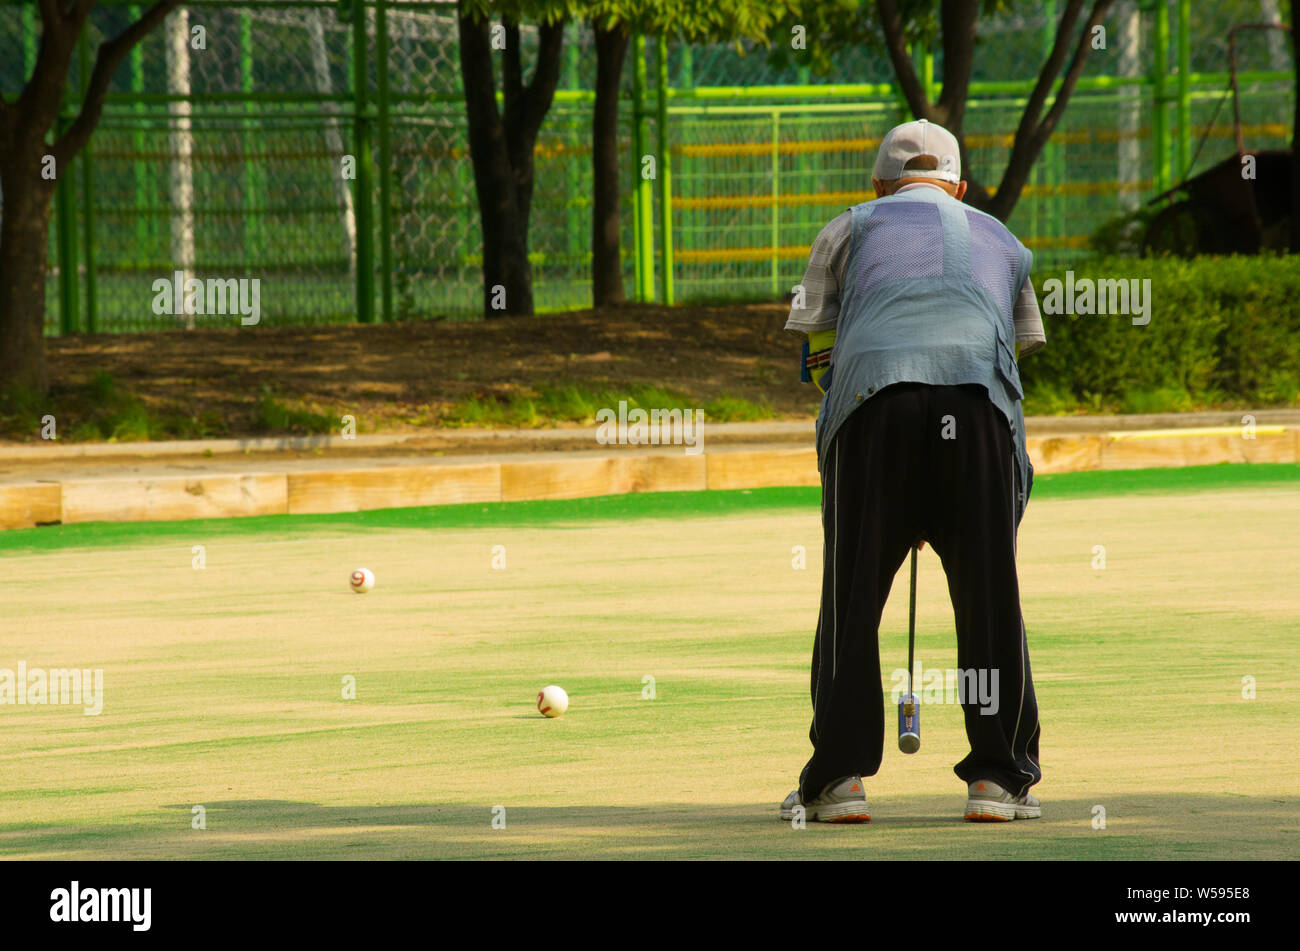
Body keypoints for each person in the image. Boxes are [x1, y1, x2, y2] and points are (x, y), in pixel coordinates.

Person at [778, 119, 1047, 824]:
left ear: (879, 184)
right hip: (978, 408)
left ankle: (837, 779)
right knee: (991, 594)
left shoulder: (849, 225)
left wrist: (887, 482)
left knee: (852, 594)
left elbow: (816, 354)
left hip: (875, 407)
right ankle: (997, 777)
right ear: (959, 186)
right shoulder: (1004, 240)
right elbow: (1014, 354)